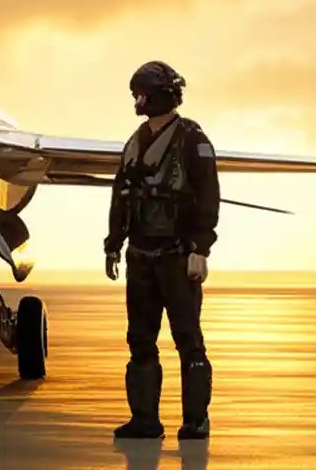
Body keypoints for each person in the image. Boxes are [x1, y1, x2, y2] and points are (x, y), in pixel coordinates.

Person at [105, 60, 220, 441]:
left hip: (177, 255)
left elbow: (208, 196)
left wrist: (200, 249)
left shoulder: (192, 140)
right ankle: (145, 420)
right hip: (139, 255)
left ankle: (195, 421)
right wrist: (113, 244)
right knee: (140, 339)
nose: (138, 101)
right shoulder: (135, 143)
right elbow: (120, 196)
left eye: (142, 94)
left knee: (188, 339)